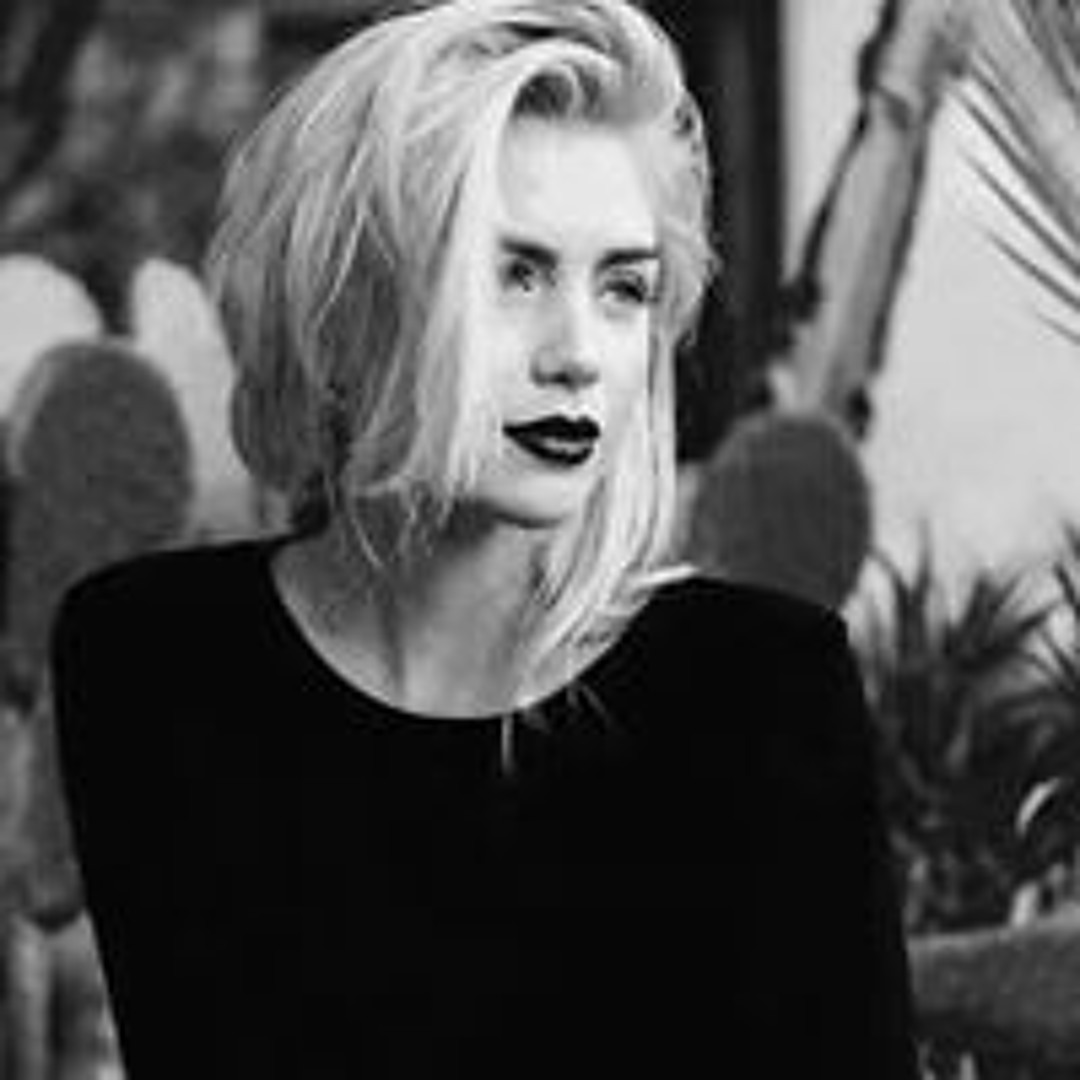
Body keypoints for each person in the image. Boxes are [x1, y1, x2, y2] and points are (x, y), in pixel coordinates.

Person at [51, 0, 920, 1076]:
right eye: (514, 274)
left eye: (624, 288)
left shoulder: (760, 689)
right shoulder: (148, 659)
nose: (579, 353)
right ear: (348, 302)